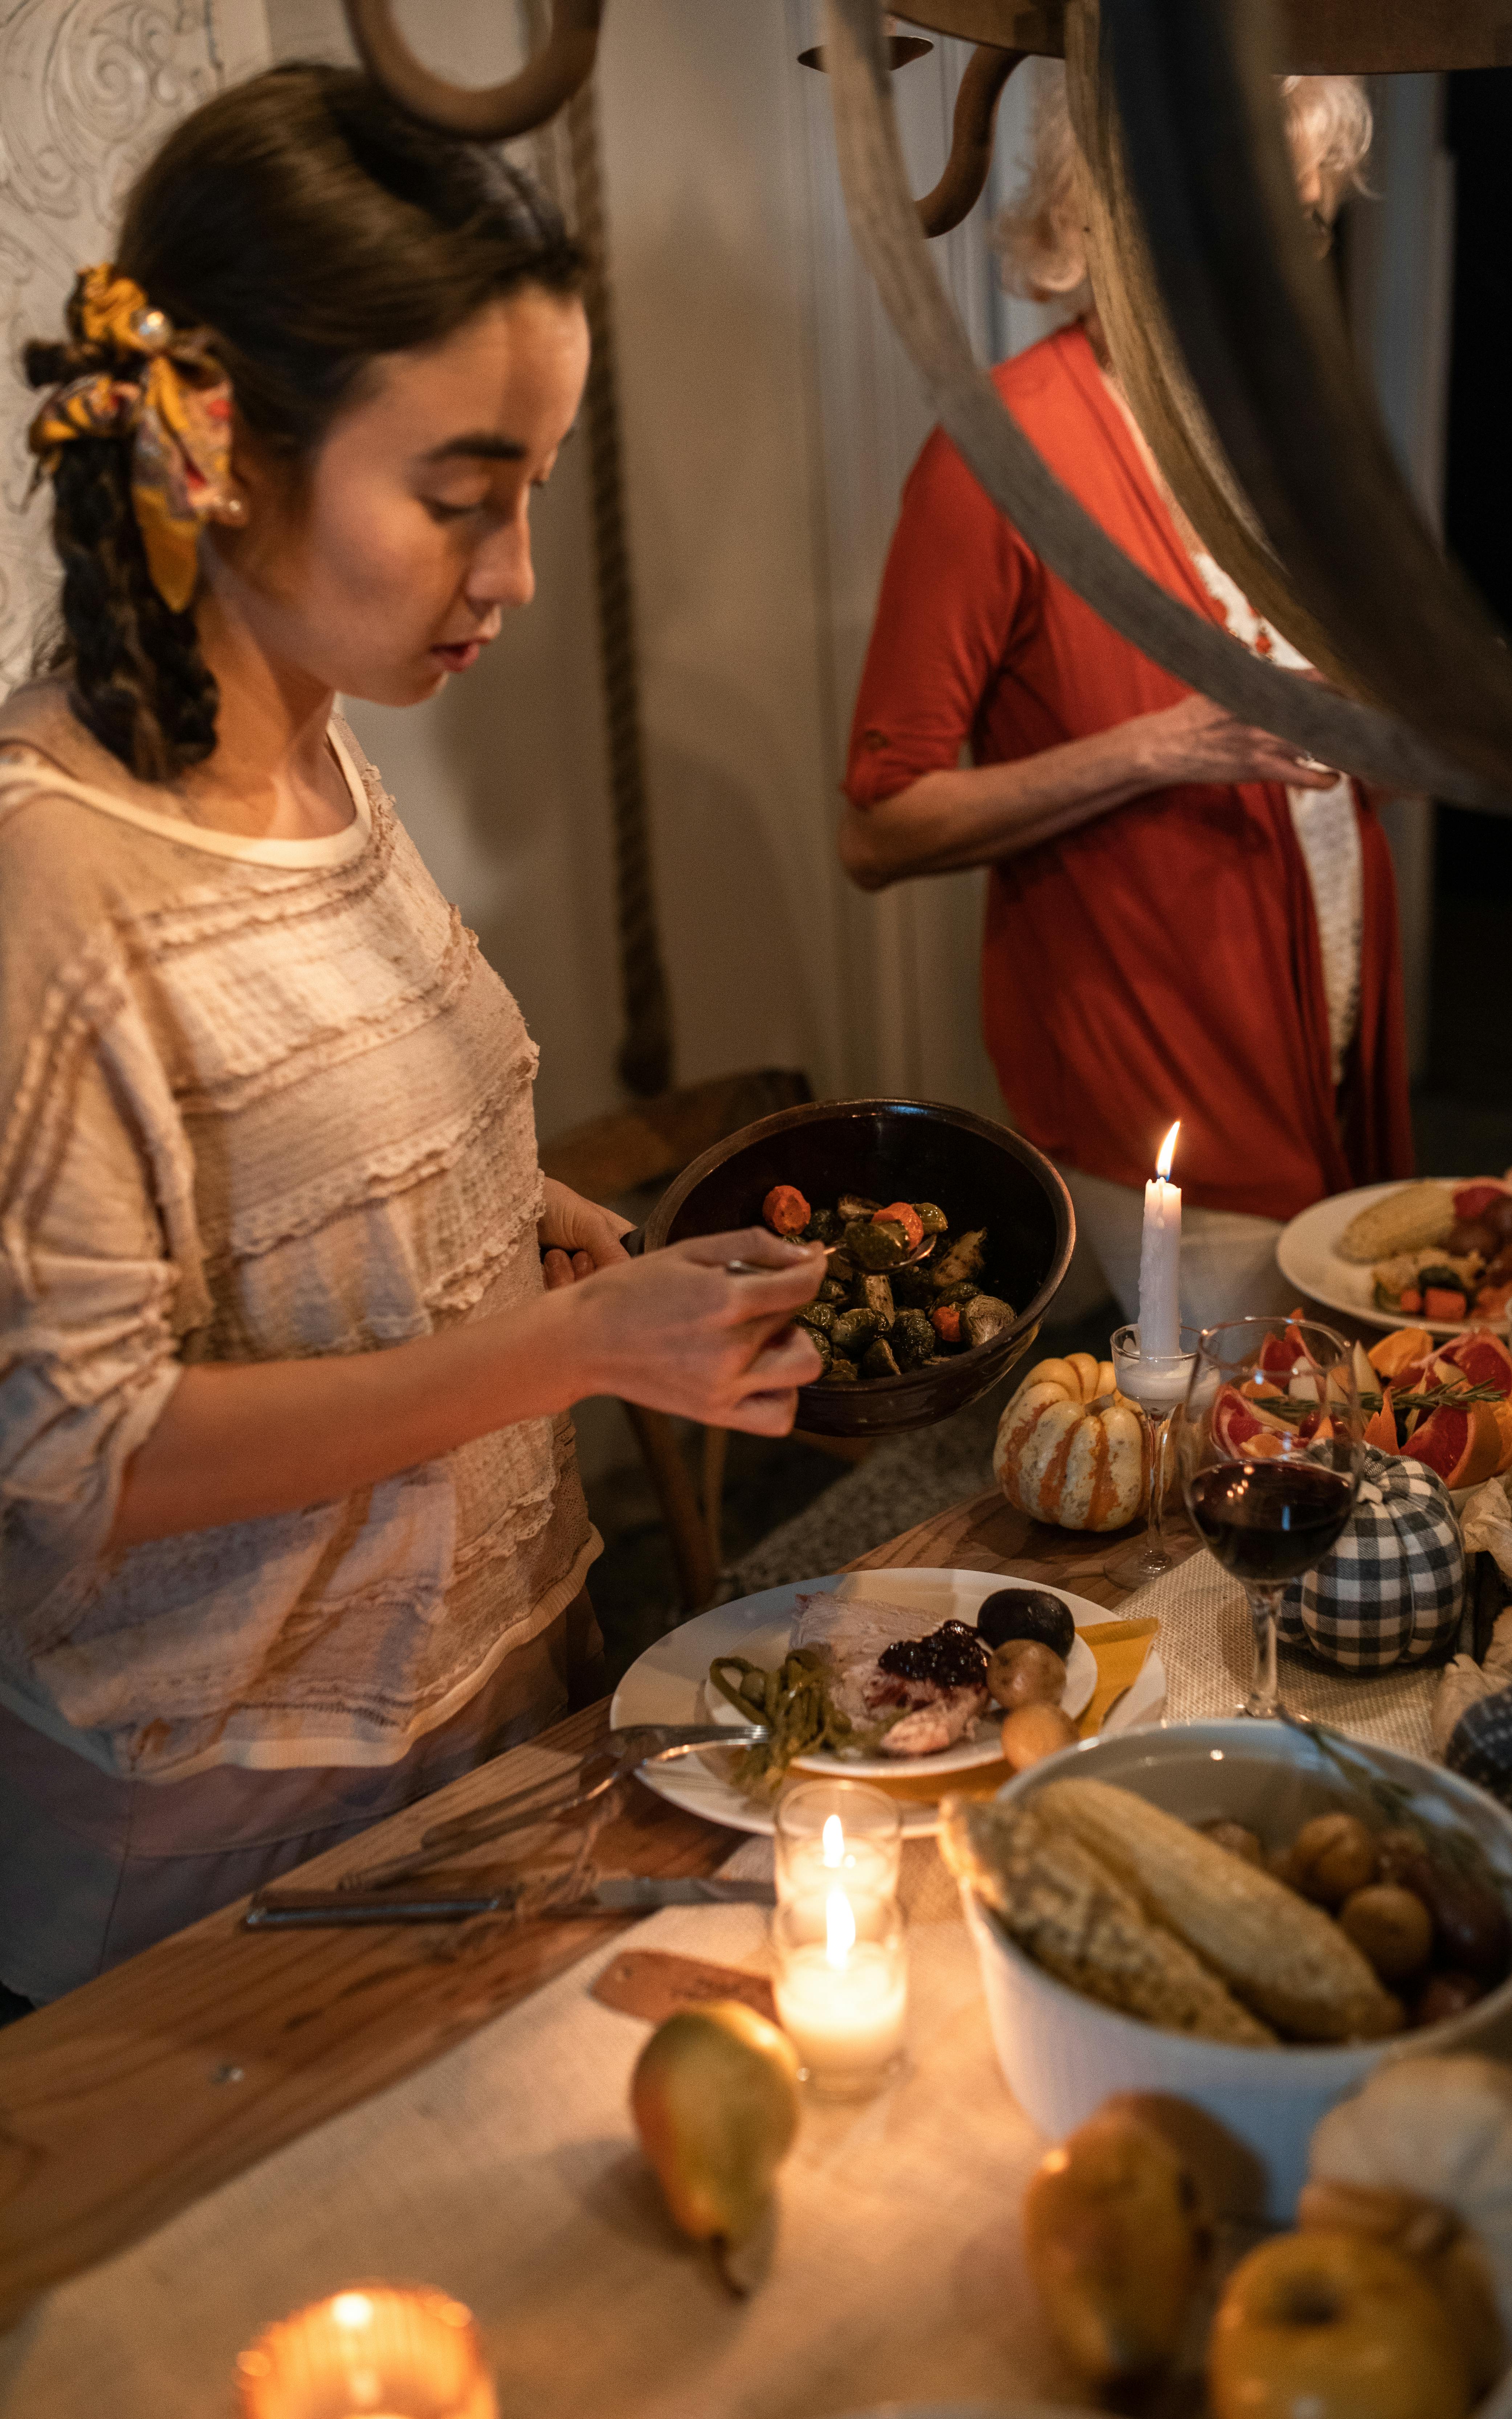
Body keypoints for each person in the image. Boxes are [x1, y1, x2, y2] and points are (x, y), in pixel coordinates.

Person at [0, 66, 824, 2003]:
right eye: (461, 499)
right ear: (216, 445)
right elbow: (72, 1461)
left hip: (487, 1720)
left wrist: (505, 1213)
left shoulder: (316, 756)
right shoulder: (50, 880)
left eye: (530, 493)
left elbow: (291, 1156)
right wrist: (566, 1351)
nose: (514, 570)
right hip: (227, 1846)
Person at [840, 70, 1414, 1331]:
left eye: (1298, 224)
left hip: (1322, 1036)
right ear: (1112, 209)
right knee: (1235, 1414)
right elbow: (878, 828)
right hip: (1156, 1071)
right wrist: (1159, 746)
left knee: (1341, 1402)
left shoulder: (1278, 431)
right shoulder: (999, 452)